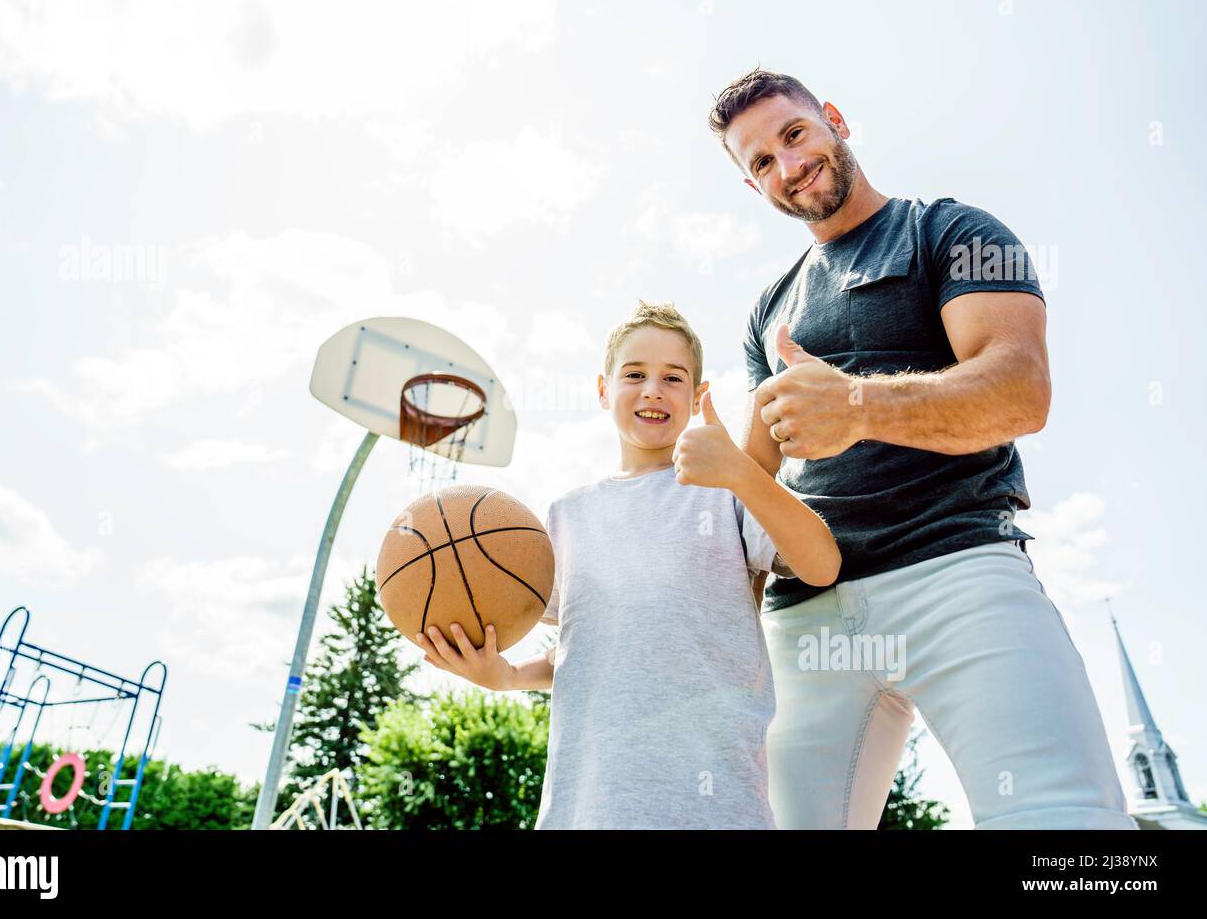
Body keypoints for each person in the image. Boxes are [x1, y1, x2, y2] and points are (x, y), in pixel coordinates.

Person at [706, 67, 1137, 829]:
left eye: (794, 134)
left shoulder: (954, 230)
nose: (788, 165)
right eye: (761, 163)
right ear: (752, 188)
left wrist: (860, 405)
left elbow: (1021, 392)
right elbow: (750, 487)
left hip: (958, 570)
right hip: (808, 618)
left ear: (834, 119)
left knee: (1064, 826)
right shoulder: (767, 312)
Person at [415, 300, 841, 828]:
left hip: (714, 805)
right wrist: (504, 675)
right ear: (602, 390)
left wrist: (740, 472)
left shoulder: (725, 494)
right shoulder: (565, 517)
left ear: (698, 396)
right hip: (589, 805)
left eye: (673, 377)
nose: (652, 390)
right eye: (634, 374)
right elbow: (582, 652)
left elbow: (822, 564)